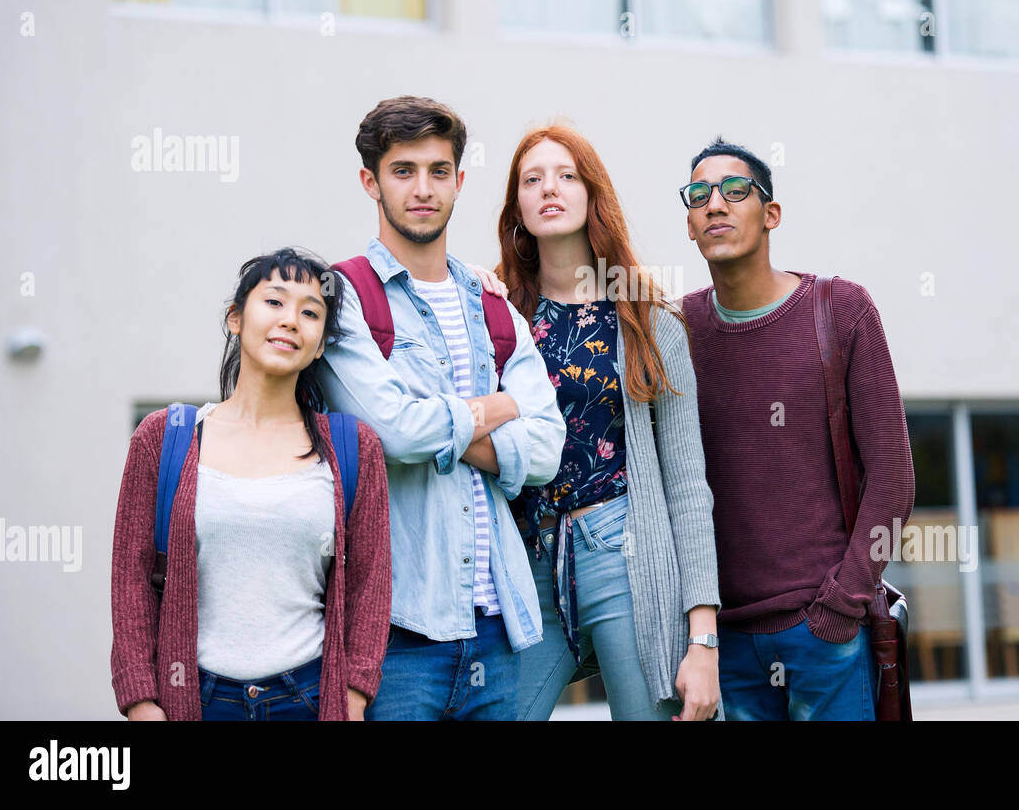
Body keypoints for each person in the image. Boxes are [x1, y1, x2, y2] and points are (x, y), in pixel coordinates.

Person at [316, 95, 565, 720]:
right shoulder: (343, 300)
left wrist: (444, 423)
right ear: (371, 181)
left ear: (459, 180)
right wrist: (499, 407)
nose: (422, 188)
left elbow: (547, 448)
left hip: (498, 628)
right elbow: (392, 433)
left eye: (437, 170)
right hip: (398, 635)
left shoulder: (493, 306)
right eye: (403, 171)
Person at [470, 125, 721, 720]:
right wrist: (471, 295)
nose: (549, 189)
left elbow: (688, 486)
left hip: (624, 551)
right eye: (532, 180)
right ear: (518, 209)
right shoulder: (494, 316)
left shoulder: (649, 320)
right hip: (528, 559)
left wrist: (703, 639)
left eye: (566, 175)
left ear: (592, 195)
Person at [677, 137, 916, 721]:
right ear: (688, 223)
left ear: (771, 215)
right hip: (724, 647)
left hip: (823, 634)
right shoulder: (678, 328)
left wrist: (842, 604)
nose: (716, 204)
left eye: (736, 191)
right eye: (699, 194)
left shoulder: (841, 309)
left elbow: (893, 476)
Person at [110, 248, 392, 721]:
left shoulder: (353, 447)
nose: (290, 321)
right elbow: (131, 581)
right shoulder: (163, 439)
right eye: (274, 302)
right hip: (194, 700)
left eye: (310, 312)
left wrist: (354, 697)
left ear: (320, 344)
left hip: (308, 697)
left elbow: (370, 585)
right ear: (236, 318)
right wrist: (141, 703)